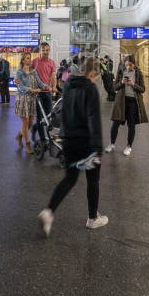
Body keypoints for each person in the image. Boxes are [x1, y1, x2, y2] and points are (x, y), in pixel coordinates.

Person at [38, 57, 107, 237]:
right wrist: (98, 148)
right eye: (96, 77)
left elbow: (64, 112)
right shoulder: (90, 88)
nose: (95, 80)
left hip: (68, 140)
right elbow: (94, 119)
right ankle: (92, 218)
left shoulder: (68, 84)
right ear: (92, 74)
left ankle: (48, 212)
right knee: (93, 180)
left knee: (69, 179)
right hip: (86, 145)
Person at [106, 57, 148, 157]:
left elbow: (142, 89)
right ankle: (111, 144)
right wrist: (121, 83)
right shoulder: (121, 72)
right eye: (126, 64)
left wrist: (133, 84)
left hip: (133, 102)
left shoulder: (138, 73)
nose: (128, 67)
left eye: (130, 65)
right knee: (115, 123)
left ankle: (129, 146)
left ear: (134, 64)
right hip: (121, 102)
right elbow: (114, 87)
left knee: (131, 125)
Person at [14, 52, 41, 155]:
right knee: (25, 123)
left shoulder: (33, 71)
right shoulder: (19, 72)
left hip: (31, 100)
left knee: (30, 123)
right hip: (22, 99)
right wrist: (31, 90)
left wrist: (47, 87)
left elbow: (39, 82)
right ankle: (28, 144)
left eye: (30, 58)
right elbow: (20, 86)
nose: (29, 60)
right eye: (27, 58)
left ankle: (19, 136)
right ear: (23, 60)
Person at [32, 42, 57, 143]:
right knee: (40, 117)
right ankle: (43, 140)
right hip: (37, 93)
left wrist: (54, 87)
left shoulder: (51, 63)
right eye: (43, 50)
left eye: (47, 50)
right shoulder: (34, 62)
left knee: (48, 116)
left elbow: (53, 76)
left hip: (47, 92)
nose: (45, 52)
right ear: (40, 50)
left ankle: (35, 128)